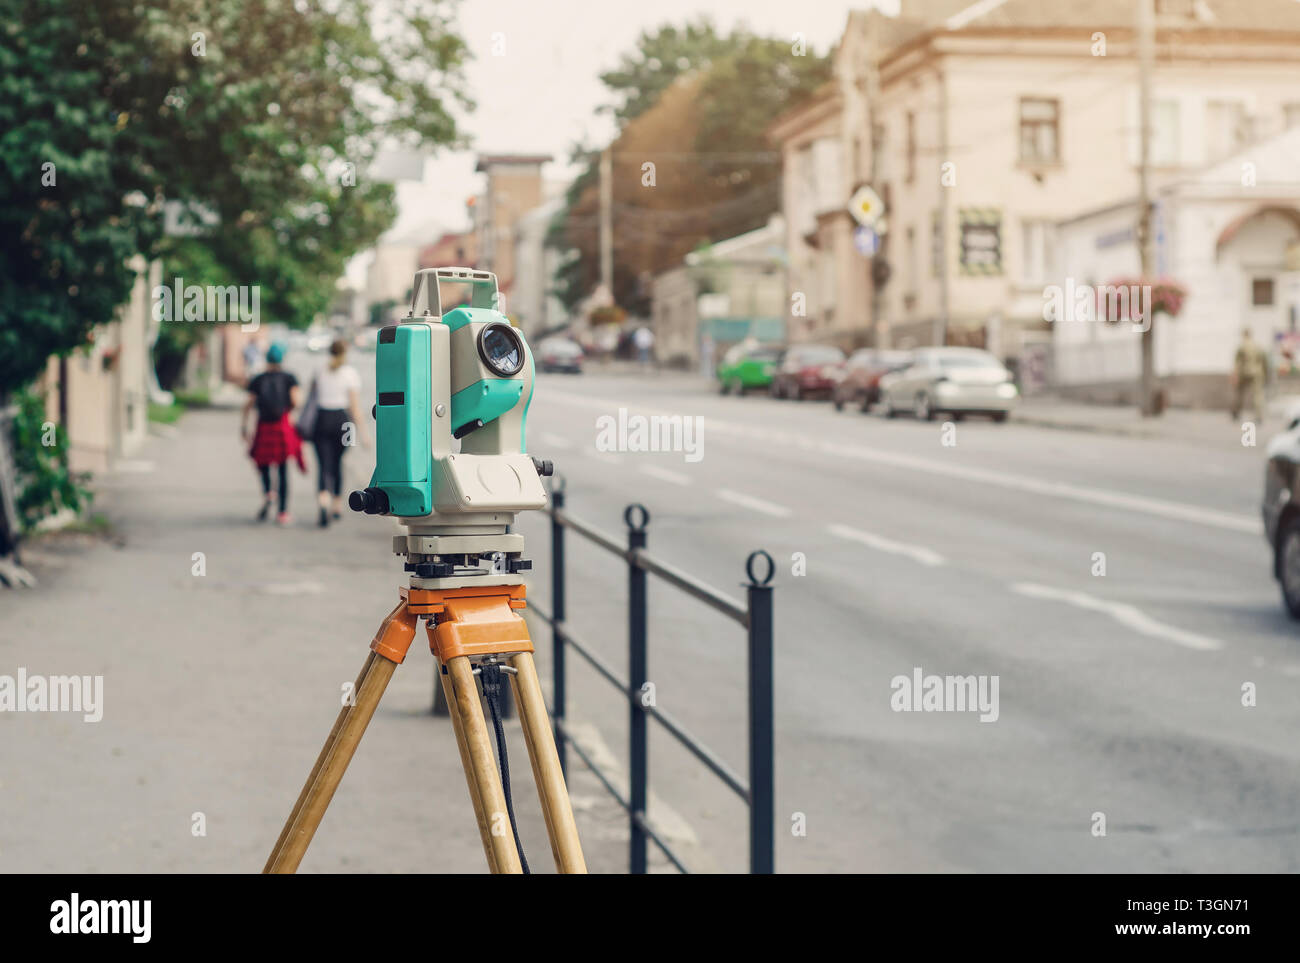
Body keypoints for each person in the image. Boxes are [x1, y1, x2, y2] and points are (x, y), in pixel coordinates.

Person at [242, 343, 303, 525]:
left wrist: (244, 426)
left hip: (263, 426)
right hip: (281, 425)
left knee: (263, 462)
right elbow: (296, 401)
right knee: (283, 469)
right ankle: (283, 512)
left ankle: (269, 491)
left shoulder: (258, 379)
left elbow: (249, 404)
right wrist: (288, 411)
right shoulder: (289, 378)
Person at [310, 339, 368, 528]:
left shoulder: (319, 370)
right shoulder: (350, 374)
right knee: (338, 462)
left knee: (323, 465)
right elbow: (355, 408)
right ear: (345, 352)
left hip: (322, 420)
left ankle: (323, 502)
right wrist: (364, 434)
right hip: (344, 423)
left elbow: (311, 400)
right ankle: (336, 505)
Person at [1231, 327, 1266, 423]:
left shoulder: (1242, 346)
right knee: (1257, 395)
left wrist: (1235, 374)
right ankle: (1259, 415)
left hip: (1244, 372)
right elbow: (1263, 360)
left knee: (1239, 393)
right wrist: (1264, 373)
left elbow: (1237, 362)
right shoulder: (1257, 345)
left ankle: (1236, 412)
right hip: (1256, 373)